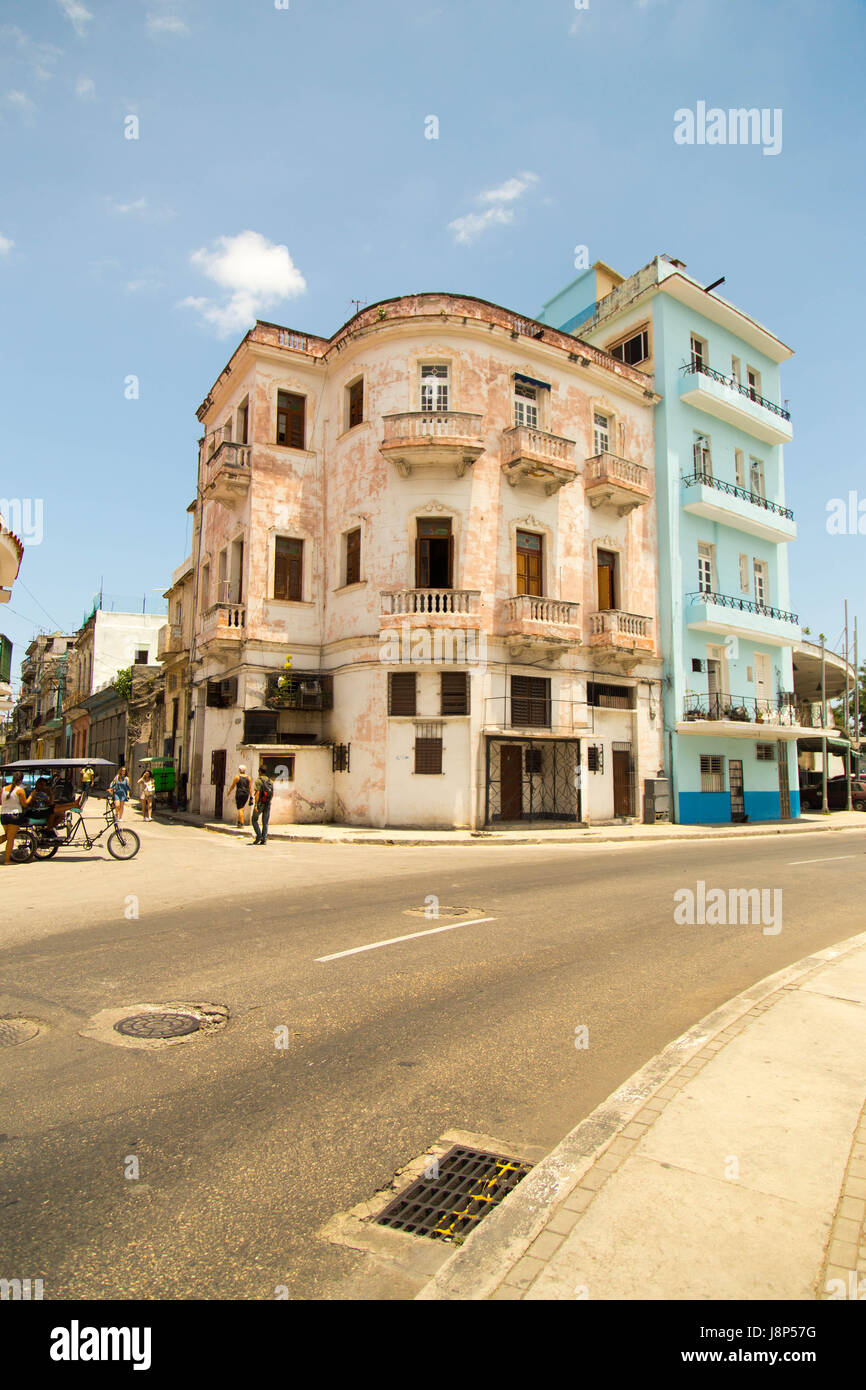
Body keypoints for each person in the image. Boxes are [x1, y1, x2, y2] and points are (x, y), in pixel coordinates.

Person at [1, 771, 32, 865]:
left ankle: (7, 859)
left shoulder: (3, 789)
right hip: (14, 816)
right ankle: (7, 860)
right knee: (10, 838)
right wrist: (32, 795)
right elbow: (25, 804)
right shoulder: (20, 790)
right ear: (21, 780)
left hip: (4, 815)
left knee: (7, 836)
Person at [47, 769, 79, 833]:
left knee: (58, 809)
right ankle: (48, 829)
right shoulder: (36, 793)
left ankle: (74, 804)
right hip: (46, 809)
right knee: (56, 810)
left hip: (50, 806)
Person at [251, 767, 274, 845]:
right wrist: (269, 801)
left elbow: (257, 793)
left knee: (254, 819)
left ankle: (259, 835)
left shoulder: (258, 781)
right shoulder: (270, 781)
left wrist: (256, 804)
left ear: (260, 771)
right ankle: (264, 839)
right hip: (267, 804)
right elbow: (272, 793)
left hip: (260, 803)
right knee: (265, 822)